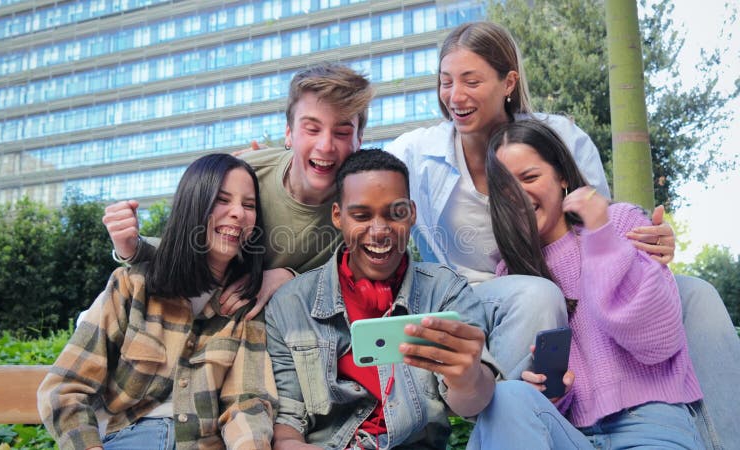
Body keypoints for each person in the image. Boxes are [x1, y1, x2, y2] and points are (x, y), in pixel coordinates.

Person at [385, 21, 737, 447]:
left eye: (471, 80)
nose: (455, 95)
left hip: (644, 417)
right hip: (484, 299)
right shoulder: (419, 151)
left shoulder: (564, 142)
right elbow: (356, 176)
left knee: (694, 293)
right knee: (524, 355)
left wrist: (616, 236)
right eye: (446, 82)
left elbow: (604, 254)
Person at [483, 119, 704, 448]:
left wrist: (600, 234)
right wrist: (554, 394)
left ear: (561, 177)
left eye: (530, 177)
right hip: (571, 435)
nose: (518, 195)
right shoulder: (511, 274)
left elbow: (658, 341)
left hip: (650, 423)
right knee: (509, 396)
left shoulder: (621, 223)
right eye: (505, 189)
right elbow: (542, 399)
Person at [38, 154, 277, 450]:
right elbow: (65, 388)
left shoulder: (245, 308)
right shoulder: (132, 285)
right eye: (222, 199)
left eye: (249, 205)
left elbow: (247, 404)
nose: (238, 213)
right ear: (193, 205)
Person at [102, 63, 373, 320]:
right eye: (312, 128)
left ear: (359, 140)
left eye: (341, 132)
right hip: (204, 314)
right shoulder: (246, 174)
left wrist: (292, 279)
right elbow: (185, 247)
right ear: (289, 134)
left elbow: (366, 286)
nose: (325, 146)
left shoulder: (365, 208)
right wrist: (132, 248)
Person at [265, 149, 497, 449]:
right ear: (338, 216)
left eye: (395, 214)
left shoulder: (445, 291)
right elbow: (288, 423)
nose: (379, 231)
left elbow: (472, 405)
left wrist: (468, 378)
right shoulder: (290, 304)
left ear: (412, 213)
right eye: (361, 216)